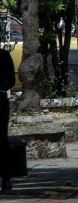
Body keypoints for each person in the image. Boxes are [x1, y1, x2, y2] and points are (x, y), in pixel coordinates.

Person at [1, 43, 14, 192]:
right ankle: (6, 179)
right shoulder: (4, 55)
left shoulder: (4, 55)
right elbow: (11, 81)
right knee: (2, 139)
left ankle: (6, 178)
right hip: (1, 99)